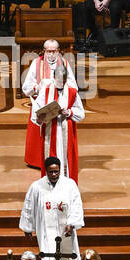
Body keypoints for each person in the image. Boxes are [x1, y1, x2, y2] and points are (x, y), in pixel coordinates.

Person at [21, 39, 84, 178]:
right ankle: (39, 162)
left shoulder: (65, 63)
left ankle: (61, 166)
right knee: (45, 136)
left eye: (54, 51)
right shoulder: (37, 64)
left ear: (58, 51)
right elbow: (26, 88)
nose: (51, 54)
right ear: (44, 51)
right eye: (48, 51)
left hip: (61, 107)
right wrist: (39, 87)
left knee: (61, 141)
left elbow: (74, 86)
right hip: (43, 104)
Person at [21, 155, 85, 260]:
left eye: (56, 171)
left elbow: (77, 205)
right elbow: (29, 206)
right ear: (46, 171)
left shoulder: (69, 184)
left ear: (60, 170)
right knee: (50, 256)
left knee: (68, 258)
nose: (54, 174)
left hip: (66, 230)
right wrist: (28, 227)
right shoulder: (37, 187)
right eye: (51, 172)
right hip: (46, 230)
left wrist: (72, 223)